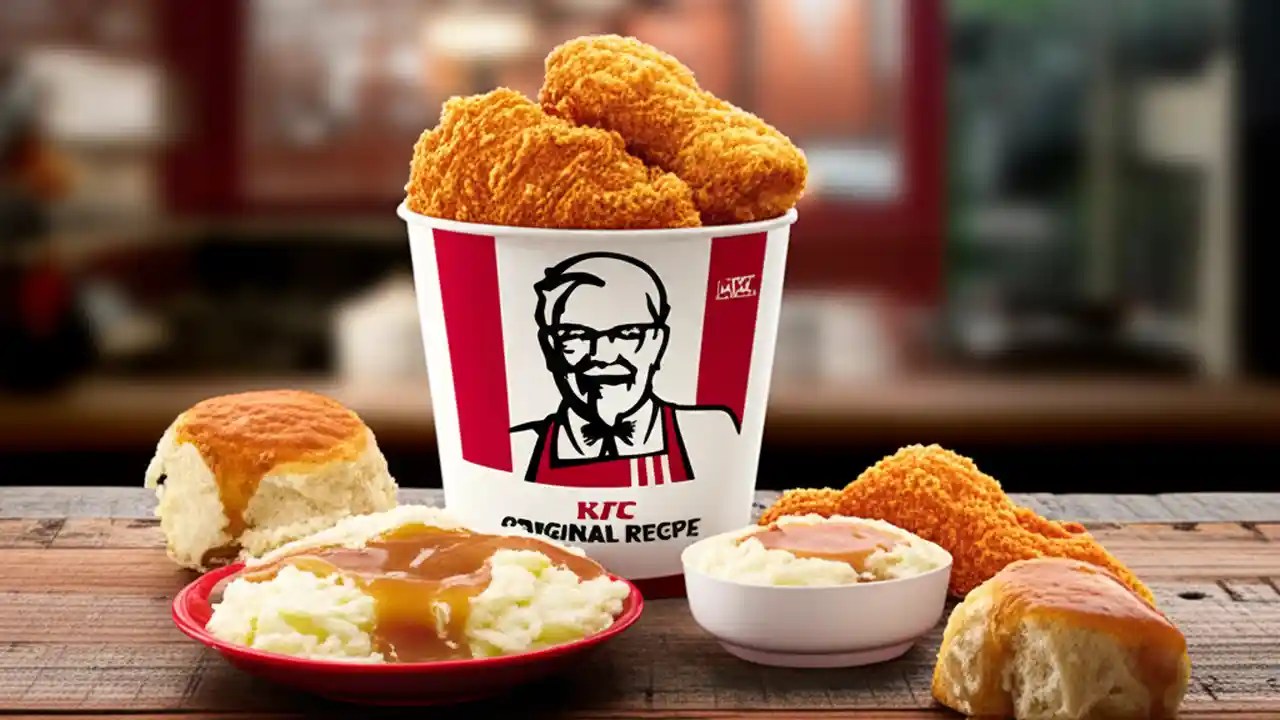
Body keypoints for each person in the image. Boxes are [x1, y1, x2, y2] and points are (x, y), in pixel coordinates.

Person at [511, 252, 739, 487]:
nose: (603, 355)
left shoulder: (707, 431)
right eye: (576, 335)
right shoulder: (519, 446)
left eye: (627, 334)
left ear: (657, 344)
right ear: (550, 348)